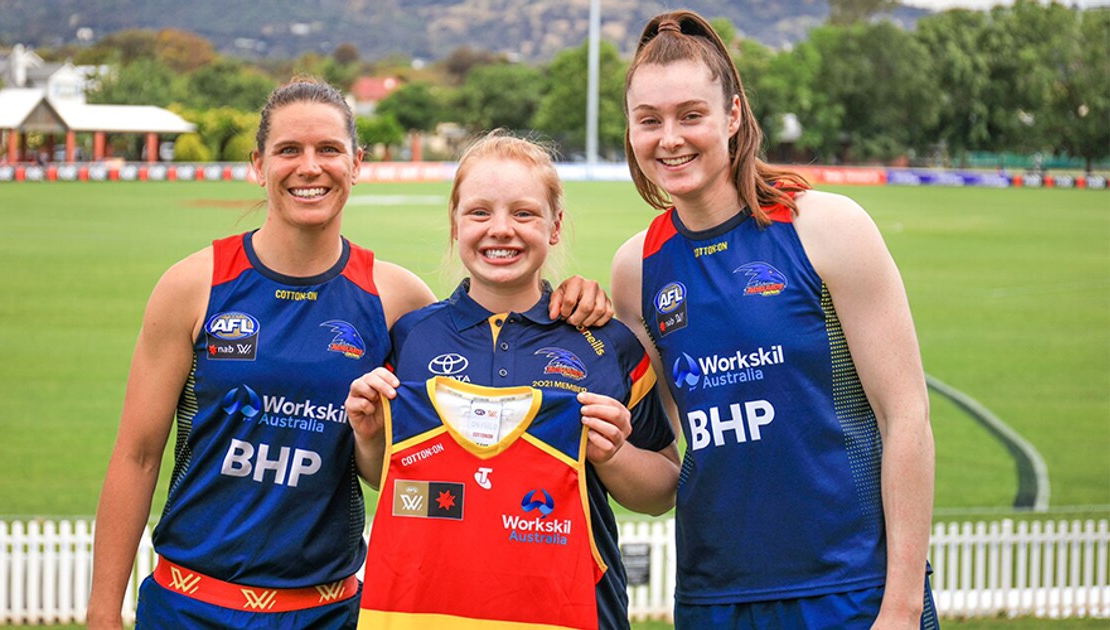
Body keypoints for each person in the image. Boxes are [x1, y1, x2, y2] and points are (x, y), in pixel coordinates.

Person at [86, 80, 610, 630]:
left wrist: (568, 300)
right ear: (258, 164)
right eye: (289, 150)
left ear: (356, 164)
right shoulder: (194, 285)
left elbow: (483, 373)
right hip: (190, 606)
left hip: (328, 613)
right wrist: (103, 610)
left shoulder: (396, 298)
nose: (309, 167)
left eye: (328, 150)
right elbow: (137, 457)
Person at [609, 11, 938, 630]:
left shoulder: (825, 228)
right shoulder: (636, 268)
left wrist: (900, 603)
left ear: (732, 116)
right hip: (714, 597)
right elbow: (663, 446)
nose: (670, 137)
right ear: (629, 130)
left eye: (691, 114)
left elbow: (906, 416)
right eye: (648, 120)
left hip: (851, 589)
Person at [345, 132, 680, 629]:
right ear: (455, 225)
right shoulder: (411, 337)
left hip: (573, 611)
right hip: (436, 611)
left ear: (555, 226)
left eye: (524, 214)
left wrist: (614, 455)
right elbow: (389, 477)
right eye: (479, 212)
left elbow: (664, 491)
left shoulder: (605, 343)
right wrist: (368, 435)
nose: (501, 230)